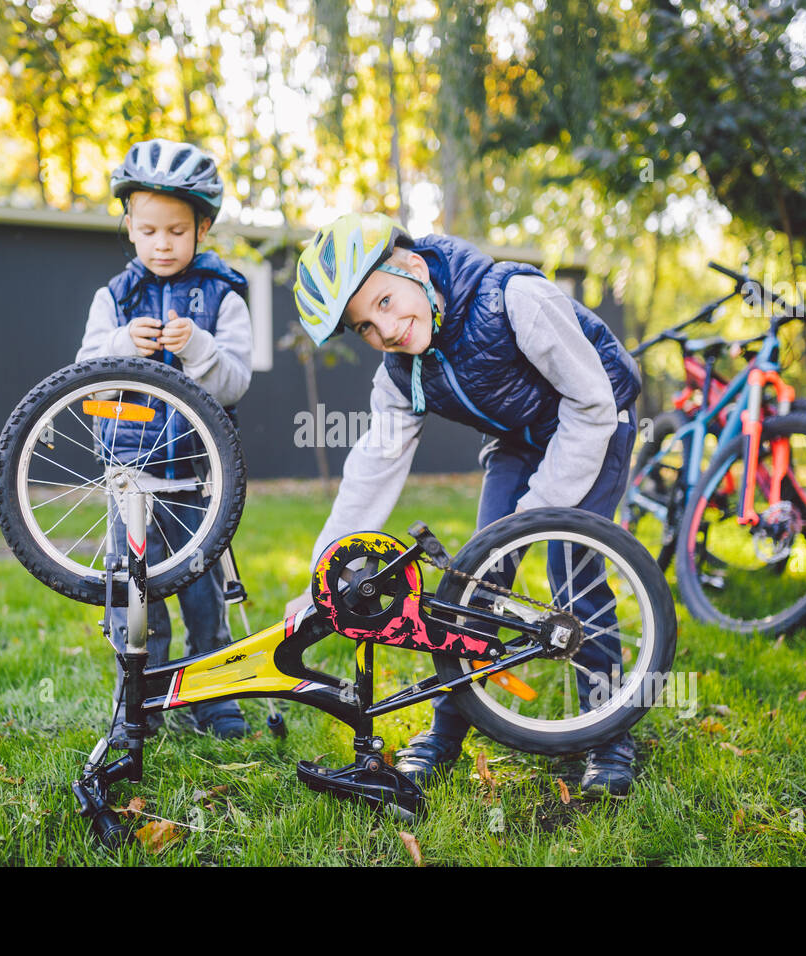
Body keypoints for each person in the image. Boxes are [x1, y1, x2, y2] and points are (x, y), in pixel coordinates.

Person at [286, 213, 642, 794]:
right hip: (518, 440)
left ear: (415, 269)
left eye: (385, 300)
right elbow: (370, 474)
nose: (387, 329)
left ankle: (608, 736)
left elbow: (591, 404)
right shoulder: (399, 375)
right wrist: (323, 575)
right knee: (474, 581)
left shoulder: (514, 300)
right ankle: (447, 730)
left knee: (571, 567)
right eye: (366, 327)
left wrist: (536, 512)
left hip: (595, 421)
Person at [77, 138, 252, 739]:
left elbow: (234, 382)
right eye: (149, 230)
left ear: (202, 226)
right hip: (128, 469)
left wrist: (198, 347)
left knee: (201, 577)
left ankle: (213, 694)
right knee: (133, 582)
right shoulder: (114, 297)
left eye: (177, 230)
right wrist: (122, 344)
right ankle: (139, 694)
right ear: (128, 226)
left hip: (198, 466)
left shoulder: (225, 295)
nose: (163, 244)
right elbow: (83, 371)